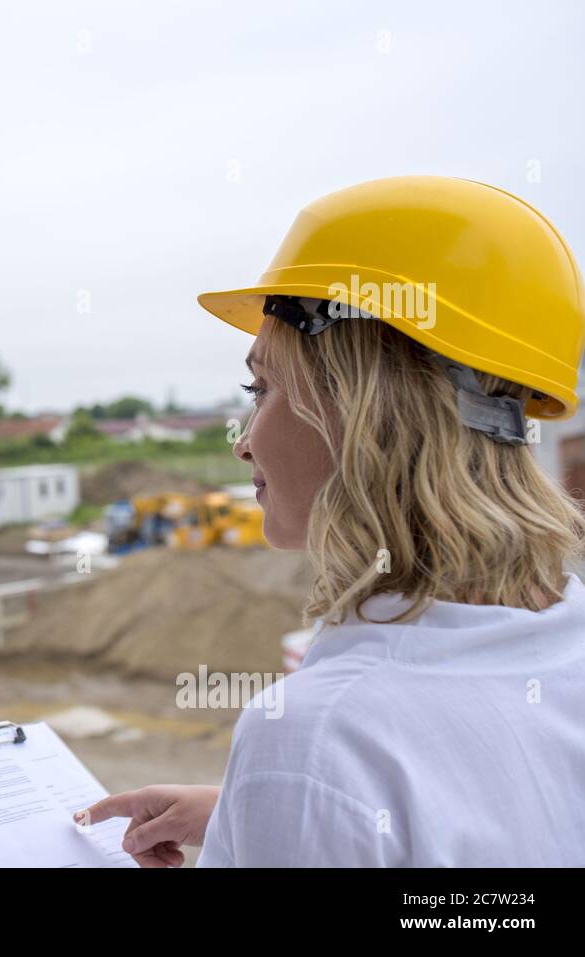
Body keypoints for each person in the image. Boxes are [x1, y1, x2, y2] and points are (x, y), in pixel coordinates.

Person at [83, 176, 585, 867]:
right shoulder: (567, 637)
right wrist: (264, 813)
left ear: (361, 413)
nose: (244, 439)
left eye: (261, 388)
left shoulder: (322, 737)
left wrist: (298, 791)